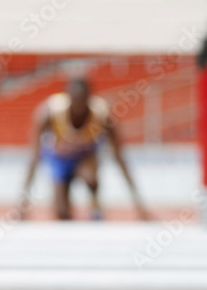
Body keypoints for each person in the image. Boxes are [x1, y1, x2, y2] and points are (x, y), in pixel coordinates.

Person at [20, 78, 148, 220]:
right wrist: (22, 204)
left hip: (85, 160)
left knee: (90, 178)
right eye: (75, 100)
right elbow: (35, 158)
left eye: (82, 100)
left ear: (89, 99)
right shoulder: (49, 113)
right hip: (60, 160)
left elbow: (119, 157)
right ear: (67, 98)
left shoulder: (102, 115)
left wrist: (139, 204)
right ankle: (66, 205)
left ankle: (96, 207)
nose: (79, 106)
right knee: (62, 214)